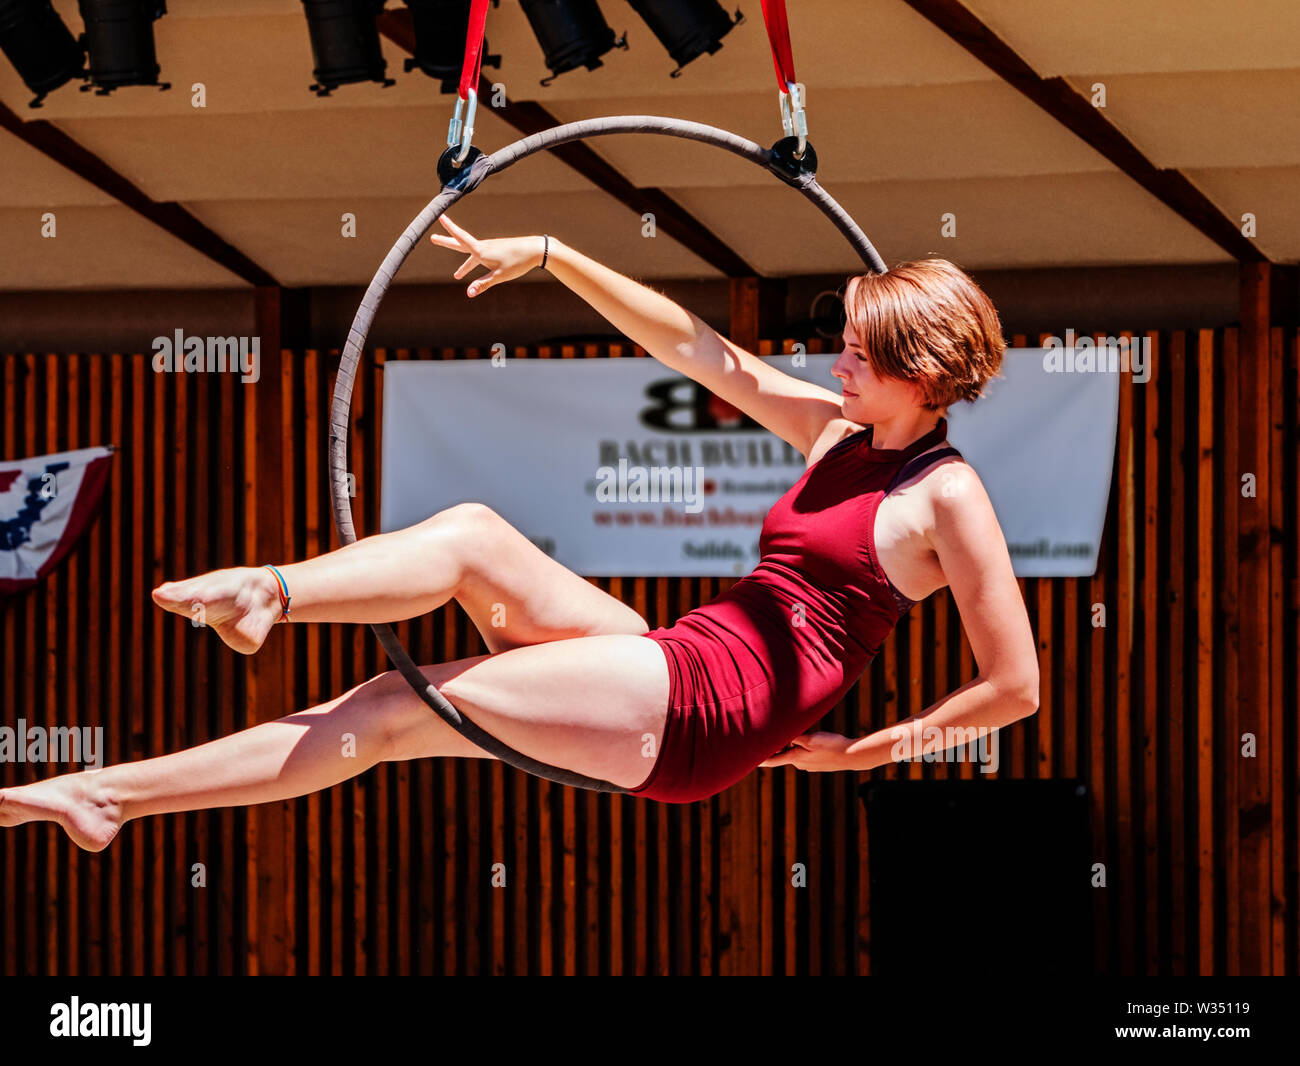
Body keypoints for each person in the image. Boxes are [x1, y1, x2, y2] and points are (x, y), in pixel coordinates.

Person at [0, 215, 1037, 850]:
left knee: (399, 707)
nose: (834, 364)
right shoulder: (828, 432)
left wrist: (864, 755)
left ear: (921, 370)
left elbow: (1014, 688)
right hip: (678, 658)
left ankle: (108, 795)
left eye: (855, 353)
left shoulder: (946, 495)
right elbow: (700, 351)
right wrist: (552, 253)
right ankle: (275, 589)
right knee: (470, 535)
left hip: (704, 719)